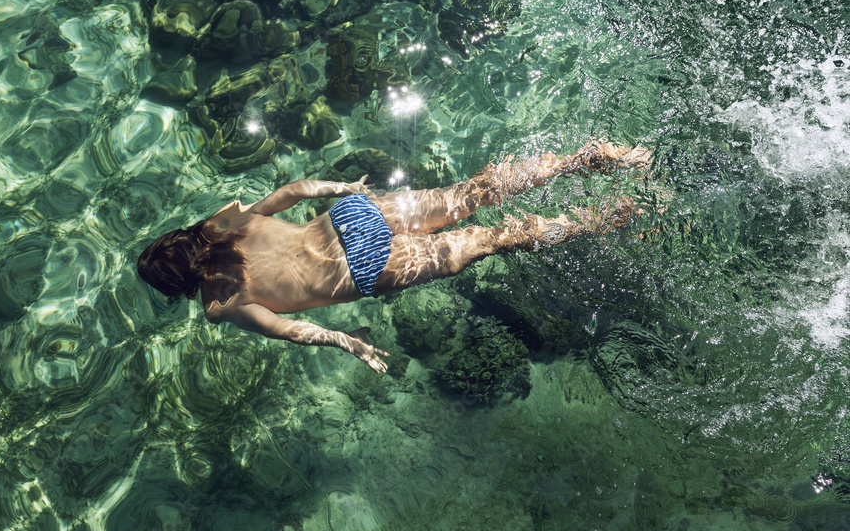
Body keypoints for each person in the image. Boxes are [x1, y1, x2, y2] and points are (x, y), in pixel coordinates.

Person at [137, 140, 651, 372]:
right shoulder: (221, 223)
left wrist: (348, 343)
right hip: (349, 218)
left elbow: (289, 330)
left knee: (493, 238)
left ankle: (606, 216)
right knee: (472, 193)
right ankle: (593, 157)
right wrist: (342, 186)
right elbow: (291, 190)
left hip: (359, 269)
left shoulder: (219, 304)